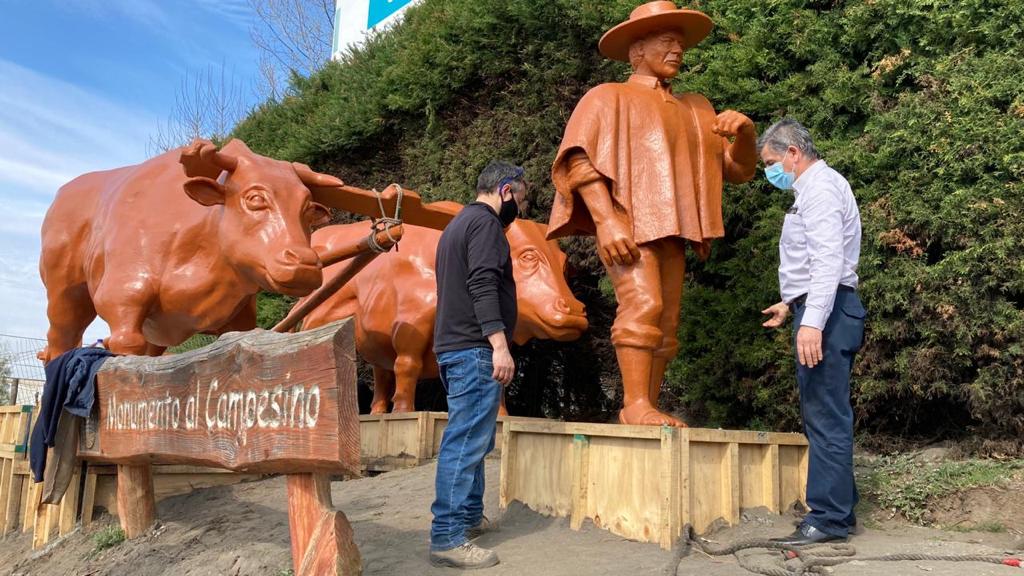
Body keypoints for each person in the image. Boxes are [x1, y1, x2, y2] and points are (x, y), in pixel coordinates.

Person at [548, 1, 758, 426]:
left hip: (674, 230)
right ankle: (635, 405)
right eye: (666, 41)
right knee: (644, 304)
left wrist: (746, 135)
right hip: (628, 225)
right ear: (637, 50)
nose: (677, 49)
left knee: (667, 320)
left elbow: (737, 171)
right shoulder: (608, 97)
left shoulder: (696, 109)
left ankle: (648, 405)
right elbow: (579, 162)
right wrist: (606, 221)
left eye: (680, 43)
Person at [758, 118, 866, 545]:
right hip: (826, 307)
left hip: (830, 312)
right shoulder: (817, 188)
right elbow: (815, 263)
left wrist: (812, 322)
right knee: (826, 413)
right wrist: (791, 303)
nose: (770, 172)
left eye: (771, 163)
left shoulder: (820, 189)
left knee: (825, 417)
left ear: (793, 153)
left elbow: (828, 262)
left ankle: (829, 519)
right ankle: (841, 509)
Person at [429, 161, 528, 569]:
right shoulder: (486, 225)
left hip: (456, 347)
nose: (521, 207)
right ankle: (447, 537)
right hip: (474, 349)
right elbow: (483, 285)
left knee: (475, 438)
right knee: (467, 439)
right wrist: (499, 345)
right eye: (521, 198)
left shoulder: (457, 226)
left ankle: (469, 517)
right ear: (505, 191)